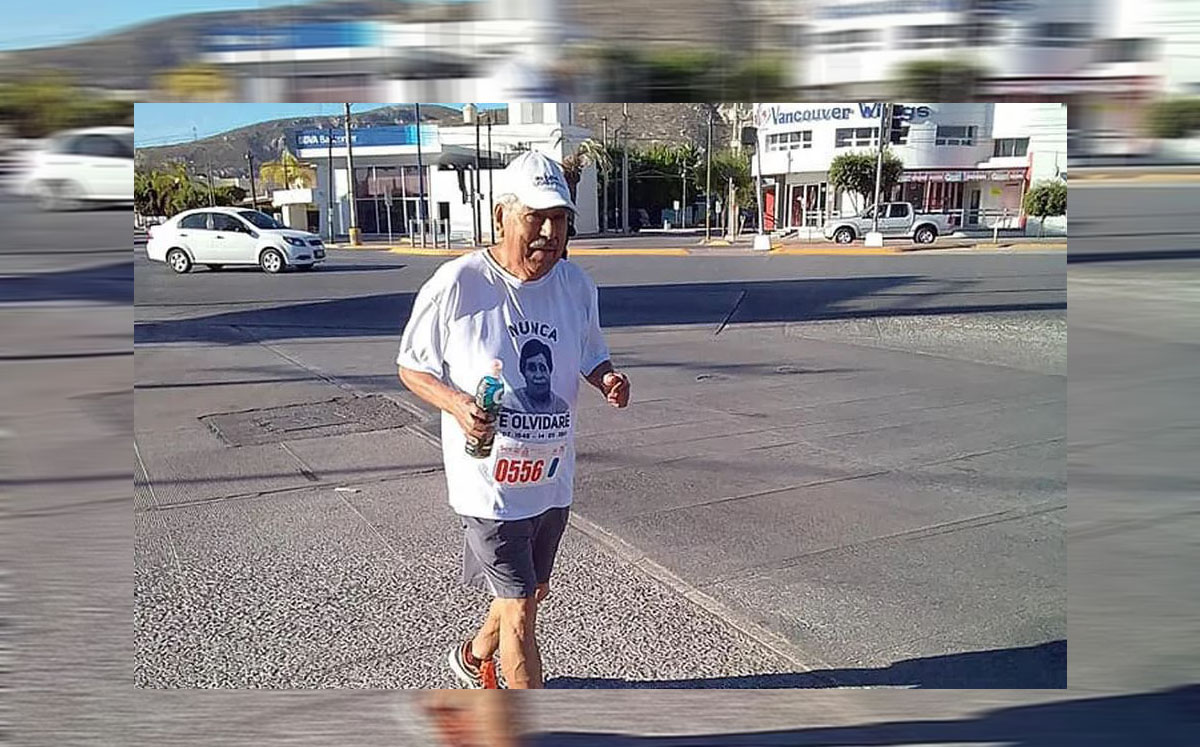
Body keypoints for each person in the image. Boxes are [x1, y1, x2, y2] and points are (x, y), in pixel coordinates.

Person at [396, 151, 631, 696]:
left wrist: (607, 378)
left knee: (530, 591)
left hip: (551, 480)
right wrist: (456, 404)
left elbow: (591, 352)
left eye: (561, 219)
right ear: (502, 215)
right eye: (536, 217)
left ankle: (472, 654)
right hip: (490, 488)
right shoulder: (459, 283)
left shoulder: (577, 285)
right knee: (522, 610)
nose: (550, 232)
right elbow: (413, 365)